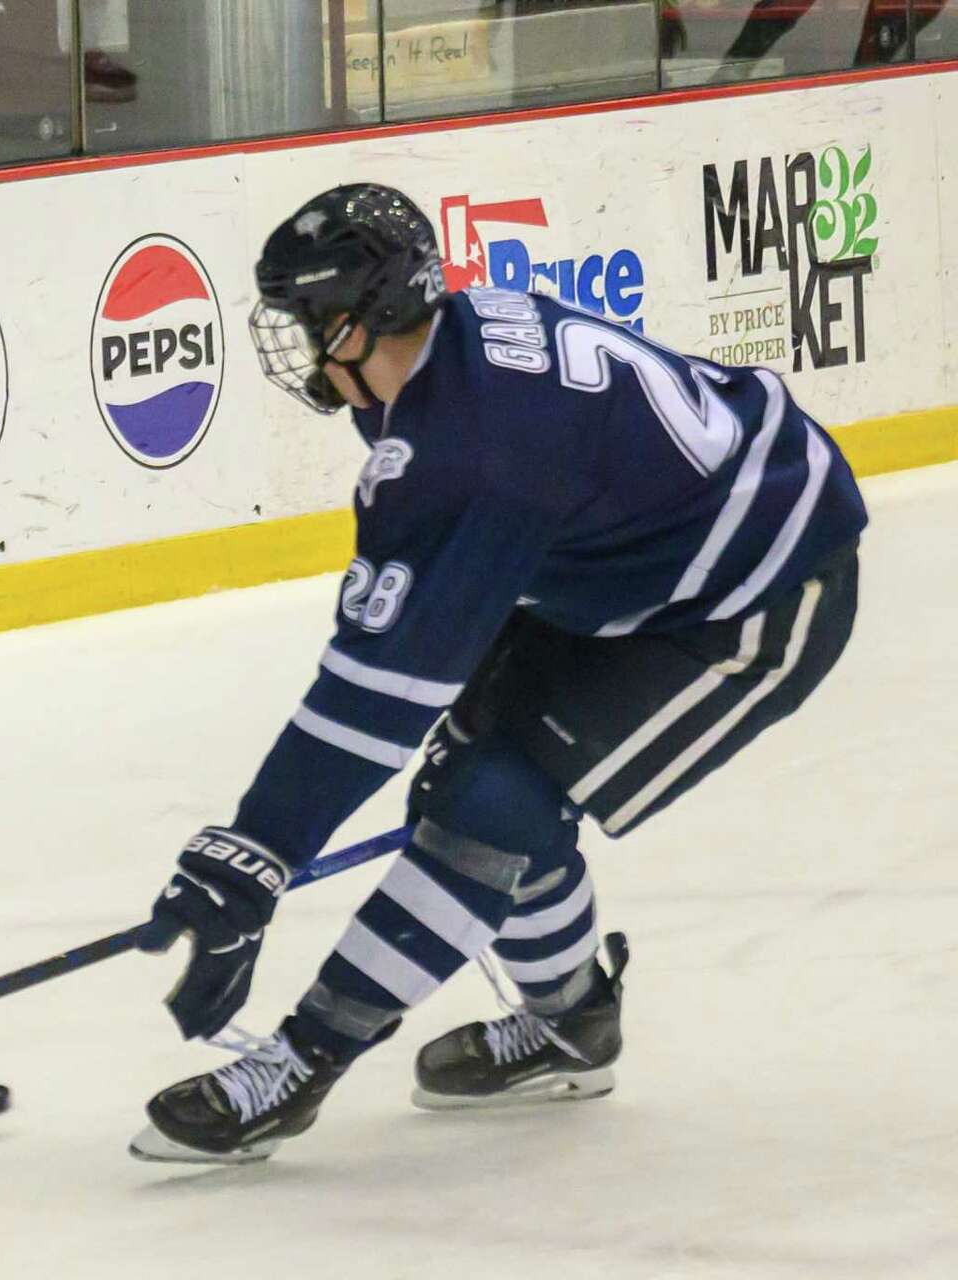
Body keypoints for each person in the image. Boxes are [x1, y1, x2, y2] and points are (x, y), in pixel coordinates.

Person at [129, 184, 867, 1164]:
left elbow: (374, 703)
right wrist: (258, 849)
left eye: (311, 318)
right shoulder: (431, 371)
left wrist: (254, 854)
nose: (300, 343)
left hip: (756, 591)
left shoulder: (473, 450)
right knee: (467, 774)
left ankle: (301, 1061)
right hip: (635, 561)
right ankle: (573, 1021)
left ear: (370, 313)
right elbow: (396, 661)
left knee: (490, 799)